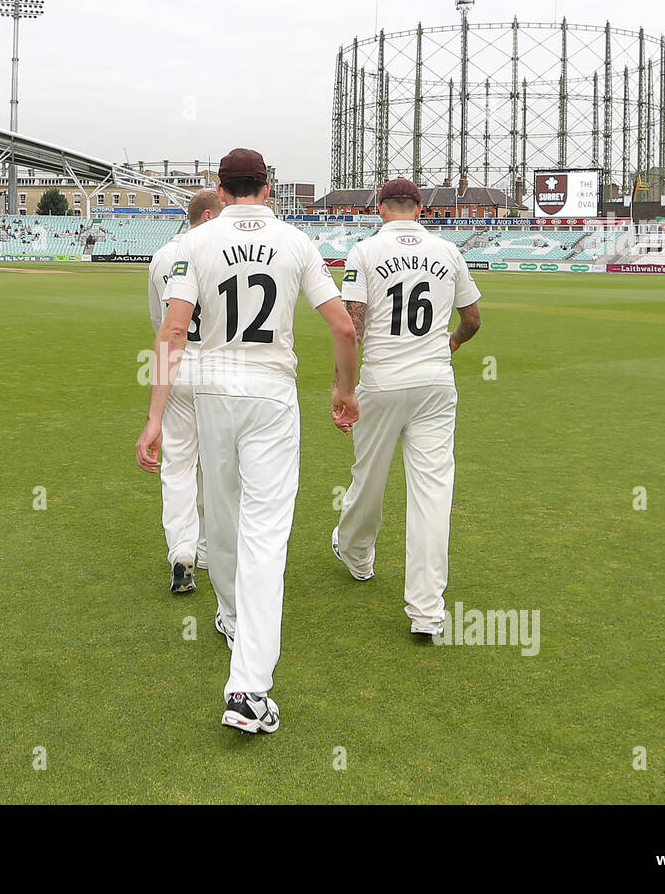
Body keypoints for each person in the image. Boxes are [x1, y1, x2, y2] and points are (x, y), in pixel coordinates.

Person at [136, 148, 359, 734]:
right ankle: (248, 687)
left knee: (224, 517)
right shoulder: (296, 241)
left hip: (211, 390)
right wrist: (344, 388)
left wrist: (156, 416)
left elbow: (173, 328)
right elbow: (341, 324)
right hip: (270, 395)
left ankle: (232, 616)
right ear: (265, 186)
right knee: (265, 533)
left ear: (220, 185)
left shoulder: (193, 244)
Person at [331, 178, 482, 639]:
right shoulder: (448, 251)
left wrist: (344, 386)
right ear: (420, 208)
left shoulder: (365, 251)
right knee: (433, 495)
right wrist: (450, 344)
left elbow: (351, 328)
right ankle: (427, 611)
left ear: (380, 209)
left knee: (369, 478)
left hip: (381, 381)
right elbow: (473, 318)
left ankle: (357, 556)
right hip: (435, 384)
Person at [146, 189, 223, 592]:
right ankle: (209, 549)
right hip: (216, 368)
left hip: (176, 368)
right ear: (208, 216)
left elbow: (161, 322)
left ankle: (182, 550)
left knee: (177, 466)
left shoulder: (161, 257)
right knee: (217, 463)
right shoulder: (219, 252)